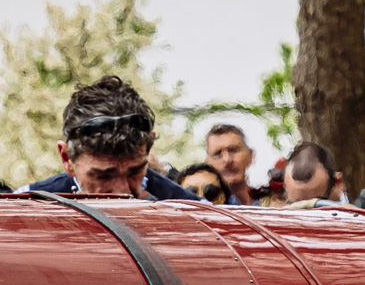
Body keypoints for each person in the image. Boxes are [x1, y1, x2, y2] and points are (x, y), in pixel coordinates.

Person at [26, 77, 196, 200]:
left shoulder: (195, 213)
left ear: (148, 150)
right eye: (103, 176)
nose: (123, 192)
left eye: (134, 172)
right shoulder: (23, 204)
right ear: (67, 158)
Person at [204, 123, 257, 205]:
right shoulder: (205, 207)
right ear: (207, 163)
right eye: (218, 154)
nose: (227, 160)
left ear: (250, 155)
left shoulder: (271, 203)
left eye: (234, 150)